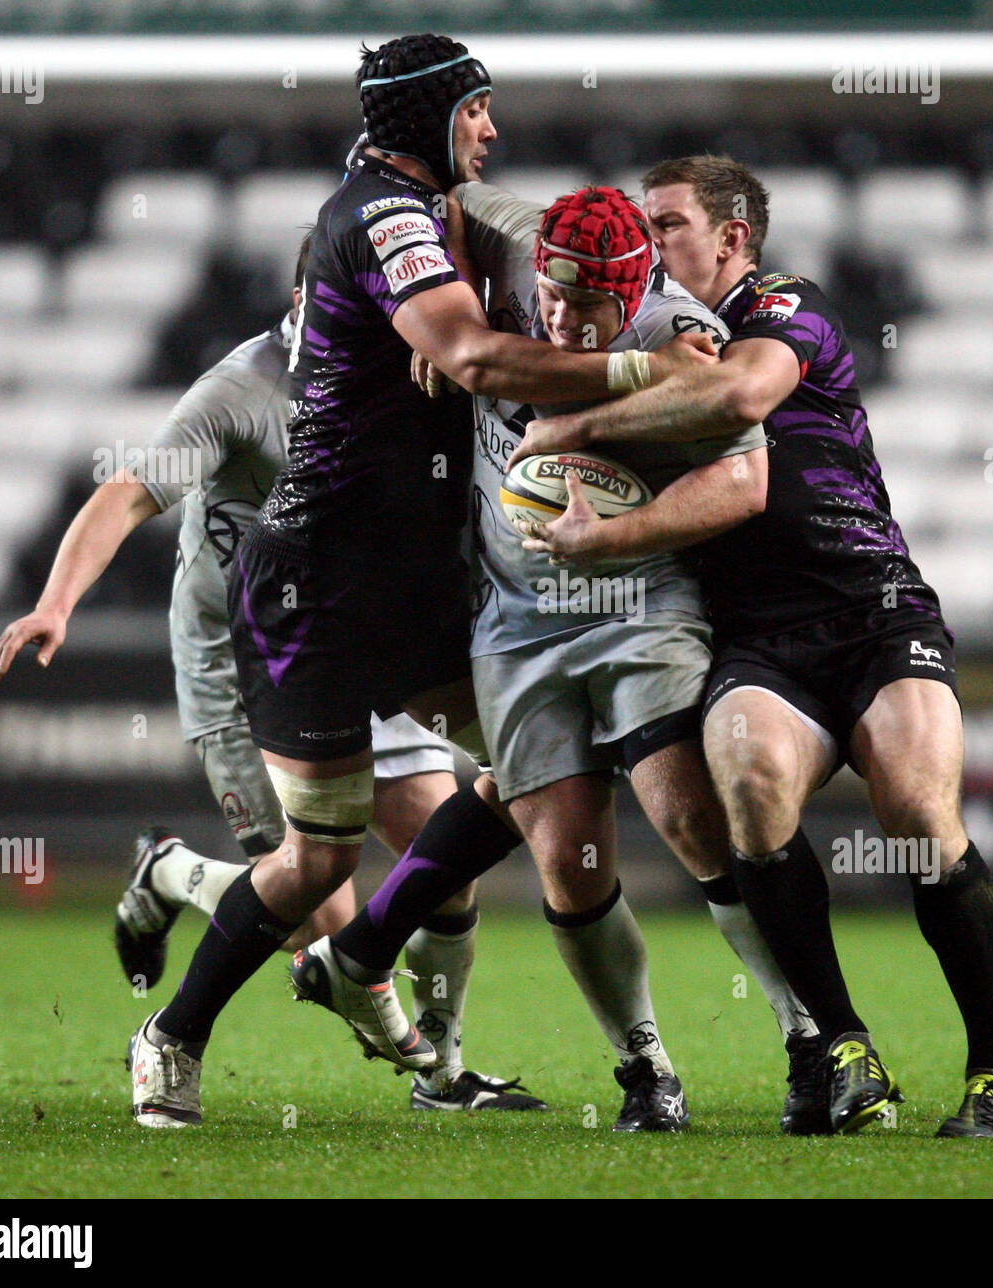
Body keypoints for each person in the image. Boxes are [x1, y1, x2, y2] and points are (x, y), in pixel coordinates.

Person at [117, 34, 707, 1128]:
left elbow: (465, 335)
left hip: (415, 579)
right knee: (315, 861)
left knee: (534, 768)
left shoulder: (431, 209)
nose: (492, 129)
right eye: (475, 109)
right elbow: (475, 356)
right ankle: (171, 1036)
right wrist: (641, 366)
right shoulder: (383, 211)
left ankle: (397, 993)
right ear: (428, 114)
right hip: (317, 588)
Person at [512, 155, 993, 1139]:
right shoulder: (642, 338)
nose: (647, 243)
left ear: (732, 238)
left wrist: (577, 424)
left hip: (872, 609)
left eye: (666, 224)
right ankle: (843, 1046)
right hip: (755, 637)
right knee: (749, 786)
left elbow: (743, 395)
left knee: (918, 811)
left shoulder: (785, 306)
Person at [299, 182, 819, 1132]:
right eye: (553, 296)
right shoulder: (509, 252)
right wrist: (442, 326)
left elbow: (743, 481)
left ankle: (808, 1039)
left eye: (589, 308)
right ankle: (644, 1070)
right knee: (569, 861)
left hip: (641, 605)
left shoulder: (684, 339)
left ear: (635, 294)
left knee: (691, 819)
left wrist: (614, 538)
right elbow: (441, 201)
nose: (565, 320)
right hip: (514, 625)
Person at [0, 235, 545, 1113]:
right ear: (302, 304)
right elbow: (128, 492)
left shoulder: (401, 373)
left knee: (442, 859)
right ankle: (173, 898)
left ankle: (441, 1067)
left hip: (360, 639)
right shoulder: (242, 389)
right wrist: (55, 603)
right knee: (314, 900)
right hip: (243, 655)